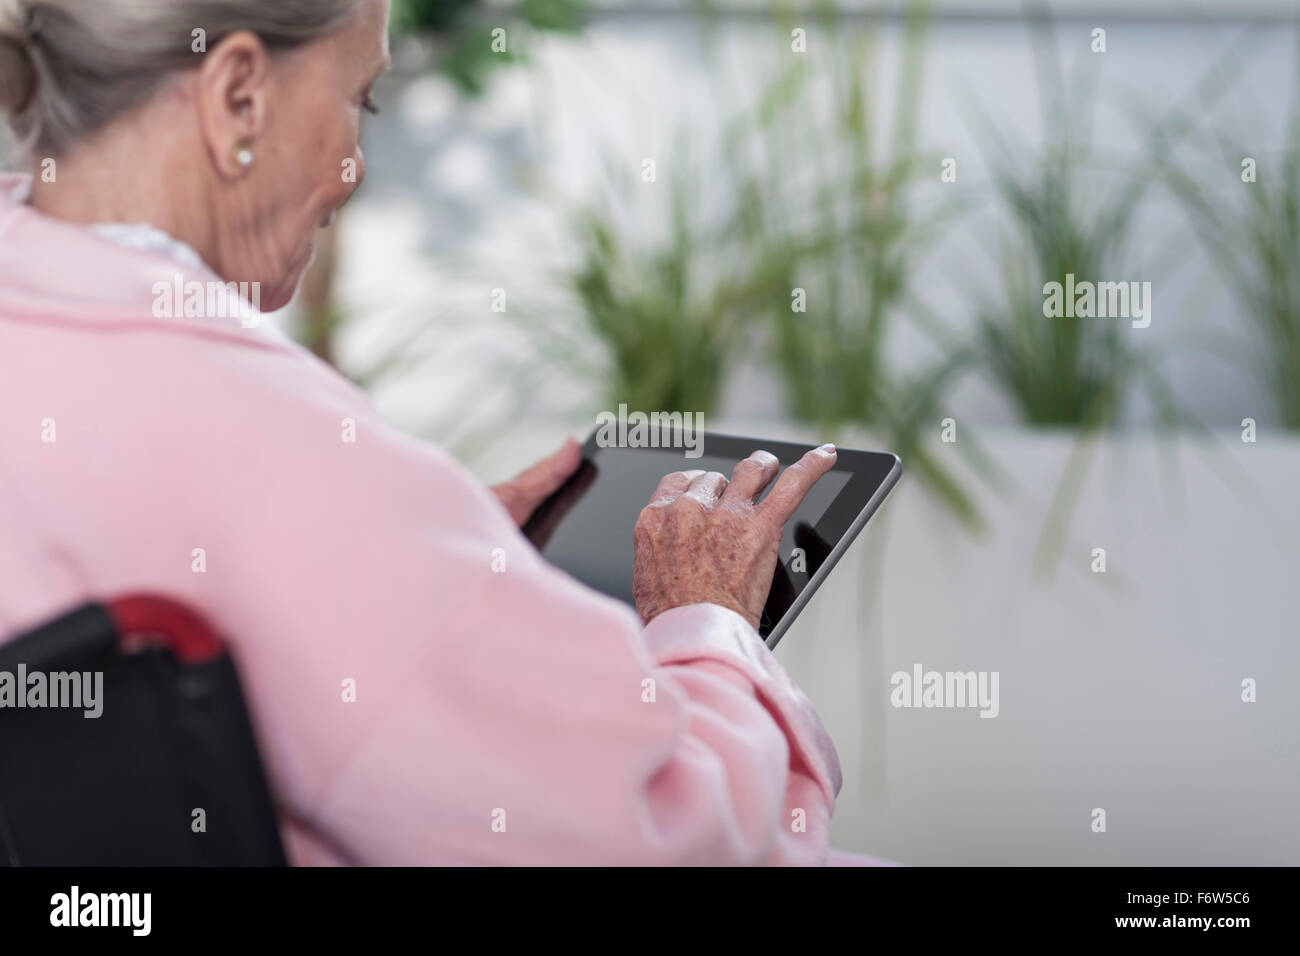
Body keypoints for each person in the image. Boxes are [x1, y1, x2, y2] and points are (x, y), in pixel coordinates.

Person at [0, 0, 870, 865]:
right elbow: (669, 841)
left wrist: (416, 562)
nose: (356, 168)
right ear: (237, 96)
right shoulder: (282, 448)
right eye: (360, 101)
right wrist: (708, 622)